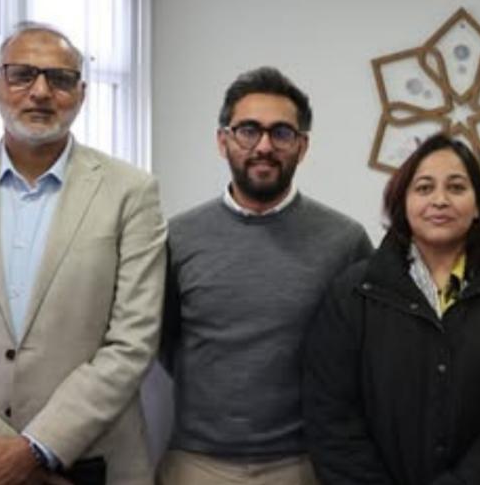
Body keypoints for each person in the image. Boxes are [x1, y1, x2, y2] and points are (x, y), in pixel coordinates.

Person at [303, 134, 480, 485]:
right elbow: (330, 413)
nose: (440, 200)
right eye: (424, 188)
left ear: (478, 205)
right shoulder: (352, 295)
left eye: (456, 187)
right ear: (403, 203)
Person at [158, 67, 373, 484]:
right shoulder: (177, 237)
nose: (264, 146)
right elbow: (163, 341)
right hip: (198, 463)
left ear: (302, 146)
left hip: (303, 464)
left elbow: (363, 353)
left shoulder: (345, 241)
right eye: (248, 130)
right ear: (223, 141)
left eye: (281, 133)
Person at [0, 23, 167, 484]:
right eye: (22, 74)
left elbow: (133, 341)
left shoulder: (131, 192)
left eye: (60, 79)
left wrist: (35, 448)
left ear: (82, 94)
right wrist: (2, 451)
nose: (41, 92)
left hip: (95, 463)